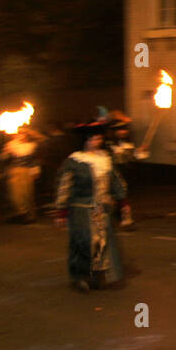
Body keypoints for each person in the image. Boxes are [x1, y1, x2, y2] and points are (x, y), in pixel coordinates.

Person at [54, 122, 129, 292]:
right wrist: (61, 211)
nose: (97, 142)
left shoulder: (104, 159)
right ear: (85, 141)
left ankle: (98, 276)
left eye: (99, 138)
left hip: (101, 210)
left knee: (103, 244)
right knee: (84, 243)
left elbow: (115, 181)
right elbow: (64, 185)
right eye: (94, 139)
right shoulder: (74, 161)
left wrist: (123, 201)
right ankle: (80, 277)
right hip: (81, 209)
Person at [0, 126, 41, 223]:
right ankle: (20, 213)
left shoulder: (32, 145)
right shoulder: (11, 145)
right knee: (16, 194)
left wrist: (35, 171)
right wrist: (6, 152)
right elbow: (2, 159)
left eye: (23, 133)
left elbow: (35, 160)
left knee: (27, 193)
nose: (21, 135)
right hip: (15, 171)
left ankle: (29, 215)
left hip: (27, 171)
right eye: (19, 133)